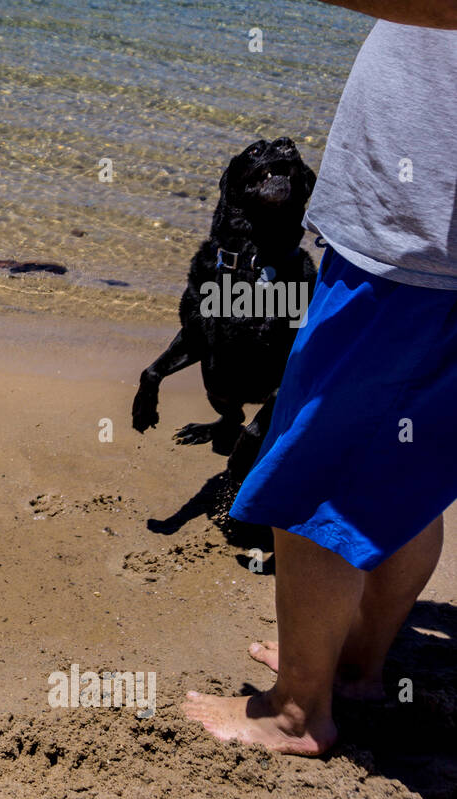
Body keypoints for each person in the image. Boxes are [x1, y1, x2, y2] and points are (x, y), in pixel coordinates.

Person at [182, 0, 457, 755]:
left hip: (415, 242)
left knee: (314, 468)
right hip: (428, 238)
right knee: (406, 468)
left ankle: (296, 711)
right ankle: (355, 663)